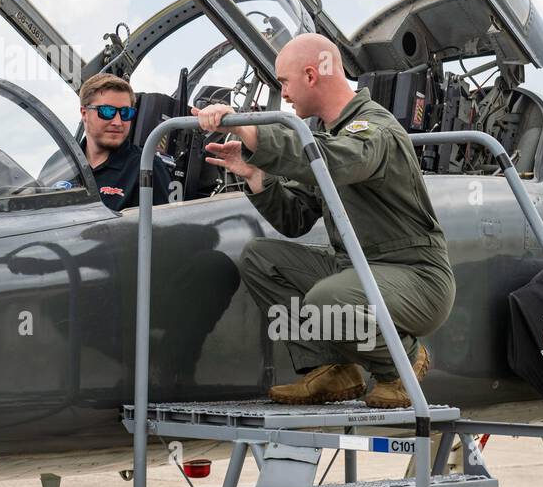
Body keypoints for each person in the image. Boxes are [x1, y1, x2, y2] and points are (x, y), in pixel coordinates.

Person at [193, 33, 454, 408]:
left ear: (312, 75)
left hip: (416, 277)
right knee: (261, 258)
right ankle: (333, 368)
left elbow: (338, 162)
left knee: (327, 299)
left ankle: (401, 363)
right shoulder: (323, 136)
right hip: (359, 271)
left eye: (284, 82)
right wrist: (256, 176)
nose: (283, 94)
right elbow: (297, 219)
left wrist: (251, 132)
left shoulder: (373, 128)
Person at [42, 72, 172, 211]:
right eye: (107, 111)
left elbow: (163, 228)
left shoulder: (147, 167)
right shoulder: (58, 163)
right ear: (84, 113)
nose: (117, 122)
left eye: (125, 113)